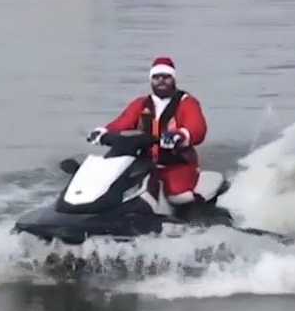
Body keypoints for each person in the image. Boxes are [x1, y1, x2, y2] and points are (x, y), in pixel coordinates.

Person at [86, 57, 207, 204]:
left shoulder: (187, 103)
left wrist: (180, 135)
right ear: (151, 80)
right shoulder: (141, 104)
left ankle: (198, 207)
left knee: (177, 197)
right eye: (156, 77)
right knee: (115, 183)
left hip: (176, 163)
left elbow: (197, 127)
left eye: (166, 77)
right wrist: (104, 132)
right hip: (145, 163)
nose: (161, 81)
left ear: (173, 78)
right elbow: (123, 122)